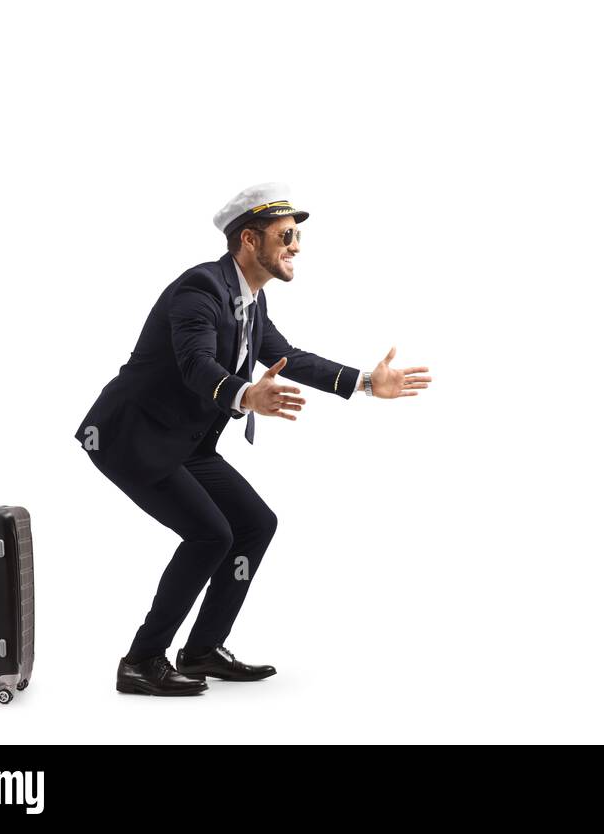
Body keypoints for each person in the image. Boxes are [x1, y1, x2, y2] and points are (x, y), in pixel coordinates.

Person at [74, 182, 433, 696]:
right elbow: (196, 364)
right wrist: (245, 396)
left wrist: (365, 384)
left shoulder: (249, 302)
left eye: (298, 236)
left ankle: (201, 650)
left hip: (183, 441)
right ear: (250, 238)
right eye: (286, 235)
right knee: (209, 535)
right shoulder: (199, 290)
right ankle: (142, 659)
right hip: (131, 437)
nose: (296, 246)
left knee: (255, 524)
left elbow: (290, 356)